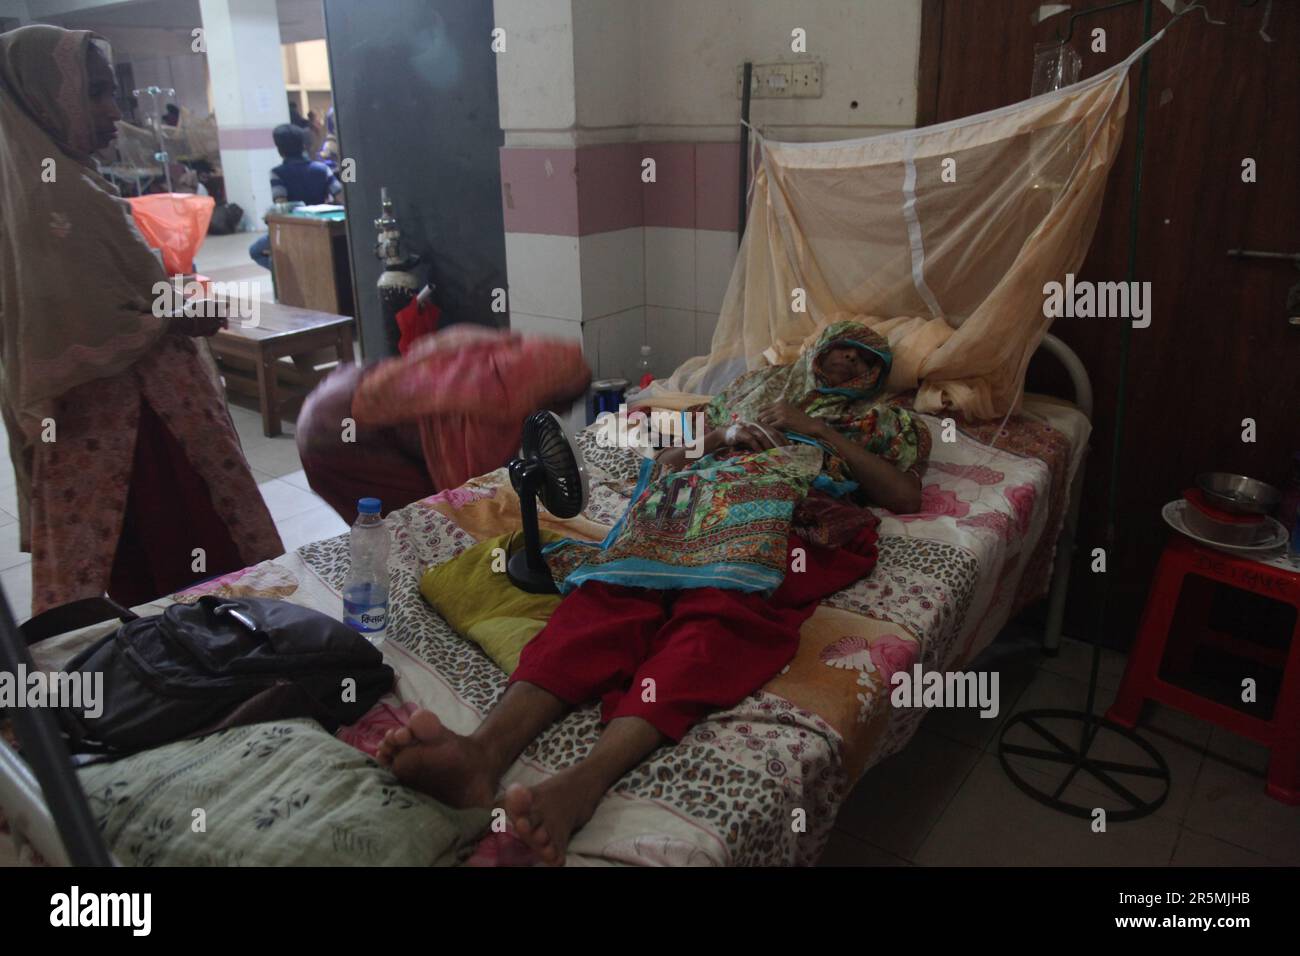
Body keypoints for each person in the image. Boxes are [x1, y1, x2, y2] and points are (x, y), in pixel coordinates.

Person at [378, 320, 930, 864]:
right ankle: (480, 753)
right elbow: (668, 462)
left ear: (879, 377)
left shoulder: (888, 422)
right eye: (846, 348)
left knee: (717, 621)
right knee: (606, 600)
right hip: (687, 504)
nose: (853, 362)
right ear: (821, 351)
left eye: (868, 359)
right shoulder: (755, 388)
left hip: (782, 516)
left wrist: (820, 430)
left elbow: (904, 495)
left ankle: (582, 784)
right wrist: (724, 436)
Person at [0, 25, 284, 615]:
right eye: (96, 94)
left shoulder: (51, 177)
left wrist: (169, 301)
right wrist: (177, 316)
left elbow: (99, 295)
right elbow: (86, 319)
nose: (114, 112)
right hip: (132, 423)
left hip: (103, 421)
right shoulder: (58, 196)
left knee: (129, 567)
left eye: (114, 94)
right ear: (46, 97)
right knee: (183, 553)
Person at [248, 123, 344, 269]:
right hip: (321, 228)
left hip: (292, 230)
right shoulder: (322, 169)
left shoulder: (278, 173)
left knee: (255, 251)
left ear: (280, 150)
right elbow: (340, 197)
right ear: (303, 145)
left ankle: (285, 273)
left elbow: (282, 206)